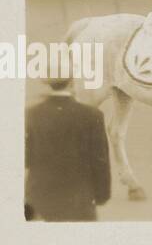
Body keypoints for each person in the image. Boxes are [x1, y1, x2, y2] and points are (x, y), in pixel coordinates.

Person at [24, 68, 112, 221]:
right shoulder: (92, 115)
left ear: (47, 83)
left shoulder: (31, 114)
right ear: (72, 82)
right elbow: (100, 160)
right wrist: (102, 195)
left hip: (39, 200)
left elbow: (26, 158)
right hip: (79, 201)